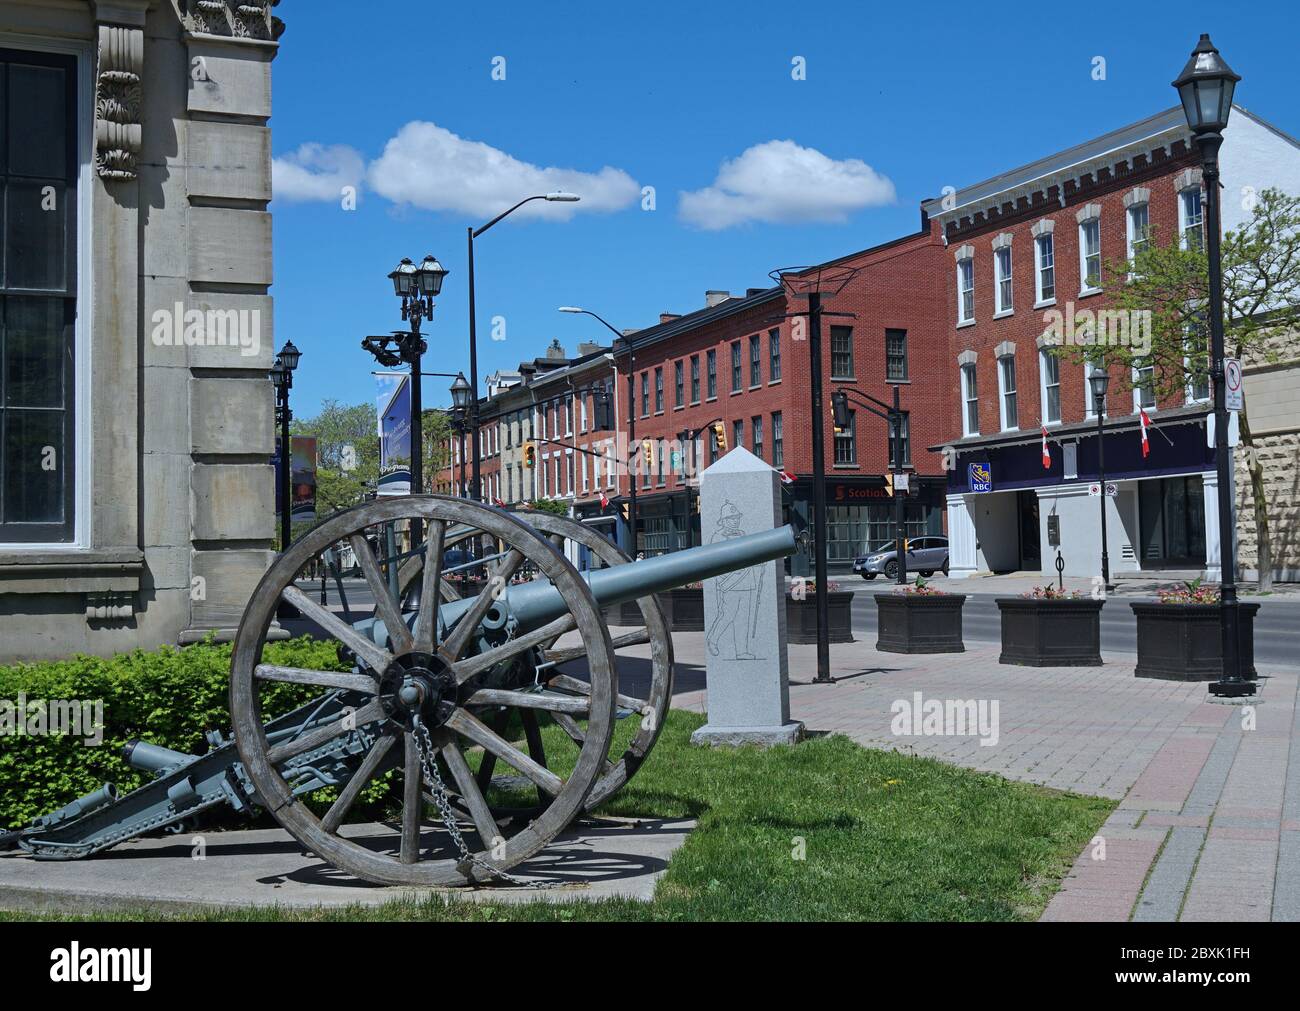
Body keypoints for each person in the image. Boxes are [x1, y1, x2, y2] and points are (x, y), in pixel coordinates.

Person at [706, 500, 760, 659]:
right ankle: (713, 639)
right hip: (729, 583)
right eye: (731, 518)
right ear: (723, 521)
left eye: (736, 517)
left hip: (746, 582)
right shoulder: (717, 537)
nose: (735, 520)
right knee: (727, 615)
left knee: (743, 618)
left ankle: (742, 651)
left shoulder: (742, 534)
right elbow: (715, 561)